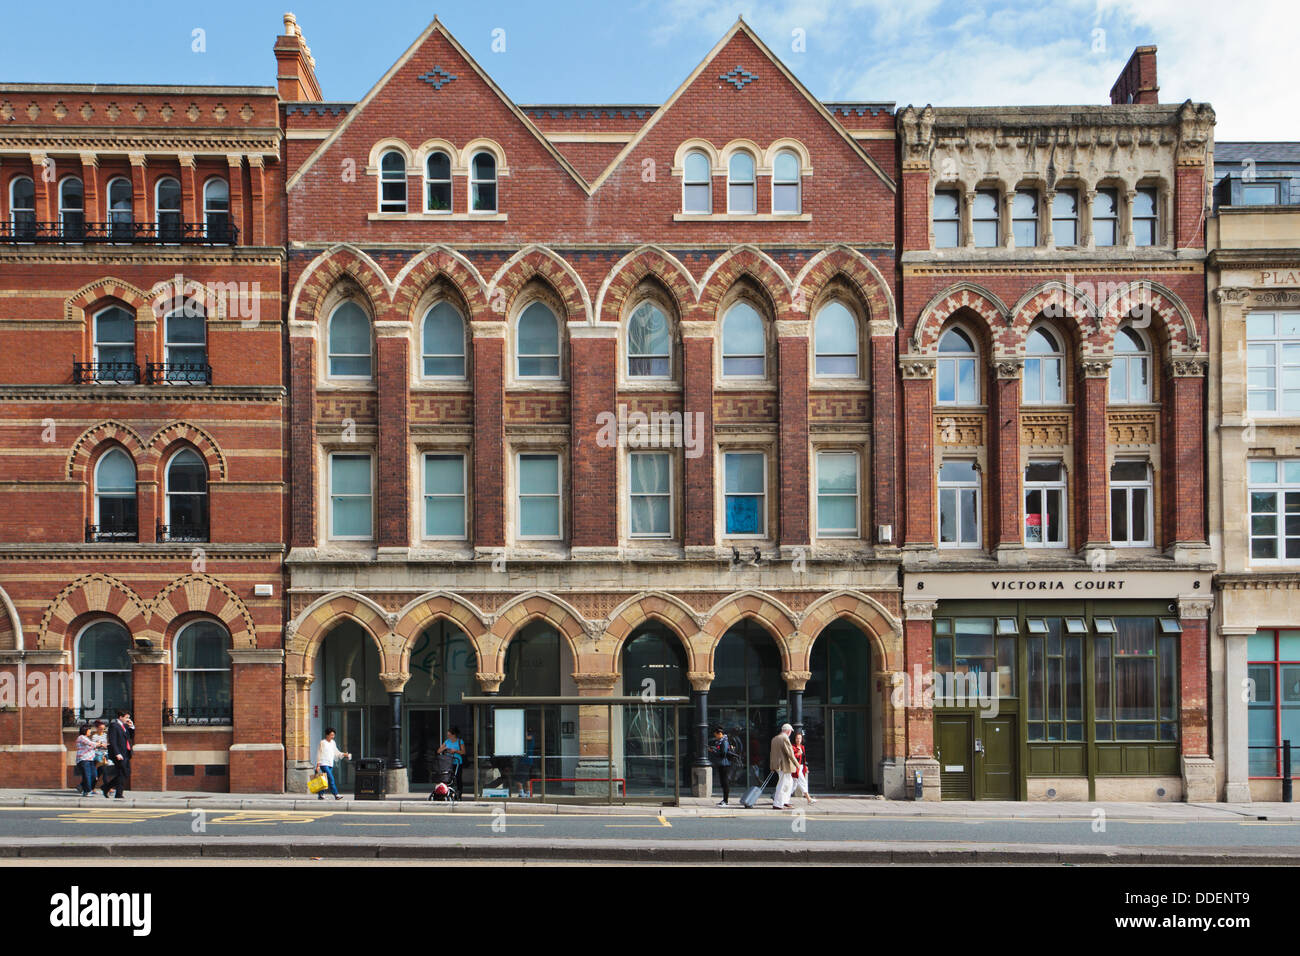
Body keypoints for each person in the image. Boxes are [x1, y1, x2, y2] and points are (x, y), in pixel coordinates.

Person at [315, 727, 351, 800]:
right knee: (331, 778)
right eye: (331, 735)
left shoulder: (333, 743)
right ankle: (336, 794)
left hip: (330, 763)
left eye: (333, 735)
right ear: (327, 735)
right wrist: (318, 765)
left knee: (325, 780)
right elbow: (319, 753)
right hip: (323, 763)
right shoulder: (323, 742)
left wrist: (344, 754)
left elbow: (336, 752)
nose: (333, 736)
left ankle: (320, 795)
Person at [769, 723, 799, 809]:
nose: (790, 733)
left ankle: (785, 801)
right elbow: (790, 753)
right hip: (783, 765)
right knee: (783, 784)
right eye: (790, 732)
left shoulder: (775, 738)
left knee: (789, 783)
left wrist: (772, 766)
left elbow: (772, 754)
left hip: (777, 765)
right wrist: (797, 764)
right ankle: (777, 804)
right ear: (788, 731)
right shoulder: (784, 738)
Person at [106, 710, 134, 799]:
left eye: (128, 717)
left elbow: (130, 737)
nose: (128, 719)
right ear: (120, 717)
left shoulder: (124, 726)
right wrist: (117, 753)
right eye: (126, 717)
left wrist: (131, 727)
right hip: (119, 754)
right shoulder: (114, 726)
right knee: (123, 772)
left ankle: (109, 788)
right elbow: (113, 741)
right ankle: (117, 793)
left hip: (126, 753)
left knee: (125, 773)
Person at [708, 726, 732, 806]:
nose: (715, 737)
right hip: (721, 764)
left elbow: (723, 754)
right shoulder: (720, 742)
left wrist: (713, 751)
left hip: (725, 764)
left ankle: (726, 800)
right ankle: (724, 800)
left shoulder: (724, 742)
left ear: (720, 734)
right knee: (723, 782)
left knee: (725, 782)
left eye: (716, 735)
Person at [791, 730, 817, 804]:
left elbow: (804, 759)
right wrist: (798, 754)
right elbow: (791, 757)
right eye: (797, 738)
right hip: (796, 767)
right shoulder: (793, 747)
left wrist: (806, 767)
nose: (798, 740)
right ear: (794, 739)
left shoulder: (802, 747)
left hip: (801, 767)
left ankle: (783, 798)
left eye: (800, 738)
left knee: (793, 785)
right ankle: (808, 799)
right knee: (803, 782)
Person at [437, 726, 465, 792]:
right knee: (448, 777)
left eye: (449, 735)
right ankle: (448, 791)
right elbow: (438, 751)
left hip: (458, 762)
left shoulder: (460, 741)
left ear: (454, 735)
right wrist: (444, 748)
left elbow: (463, 752)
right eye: (448, 735)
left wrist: (455, 751)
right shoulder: (447, 742)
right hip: (448, 763)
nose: (448, 736)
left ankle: (459, 792)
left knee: (458, 778)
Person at [74, 724, 97, 796]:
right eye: (89, 730)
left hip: (90, 759)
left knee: (94, 775)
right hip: (83, 759)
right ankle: (87, 791)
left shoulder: (86, 738)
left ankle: (81, 786)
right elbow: (90, 744)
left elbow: (91, 746)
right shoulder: (81, 737)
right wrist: (99, 744)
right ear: (85, 730)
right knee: (87, 775)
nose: (90, 731)